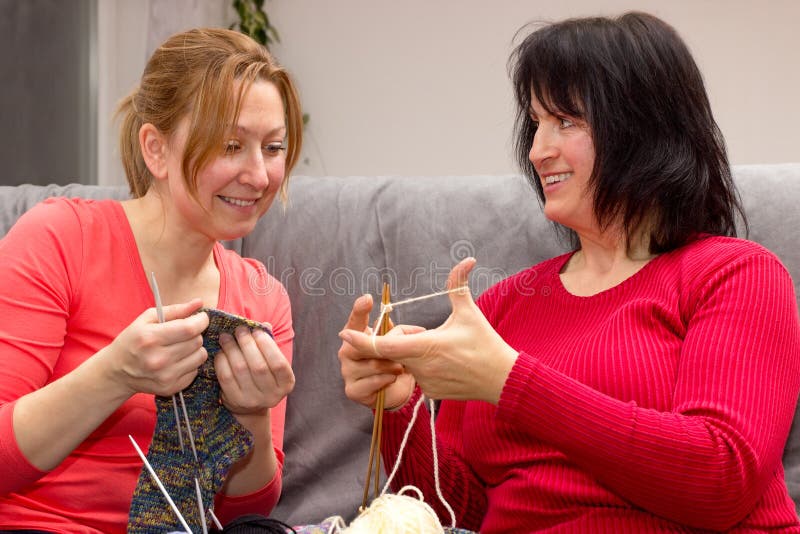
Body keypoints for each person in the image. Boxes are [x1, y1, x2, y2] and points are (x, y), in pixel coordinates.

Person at [337, 12, 800, 533]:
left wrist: (510, 381)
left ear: (643, 127)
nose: (538, 150)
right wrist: (400, 407)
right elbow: (460, 511)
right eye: (536, 123)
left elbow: (721, 480)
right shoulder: (504, 305)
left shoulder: (736, 275)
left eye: (567, 121)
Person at [0, 28, 302, 532]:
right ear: (156, 149)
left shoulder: (263, 299)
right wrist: (113, 375)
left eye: (273, 148)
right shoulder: (60, 238)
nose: (259, 174)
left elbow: (243, 513)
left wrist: (250, 414)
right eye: (231, 145)